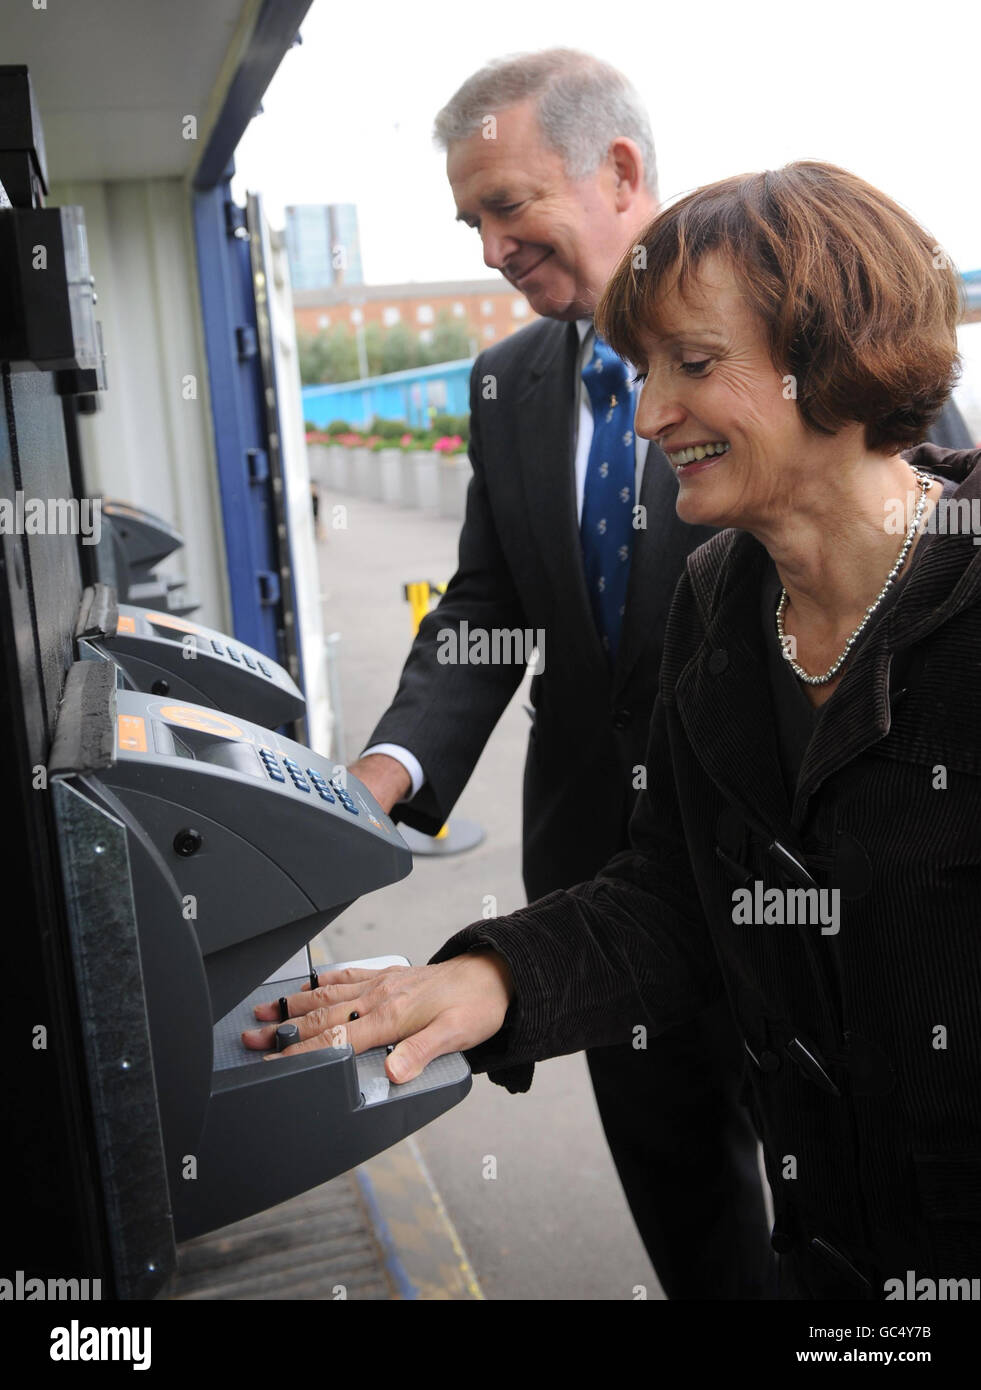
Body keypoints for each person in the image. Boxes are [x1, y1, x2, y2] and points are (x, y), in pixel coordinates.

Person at [247, 160, 981, 1299]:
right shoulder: (722, 602)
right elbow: (684, 895)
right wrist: (489, 978)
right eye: (645, 369)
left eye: (692, 365)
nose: (647, 414)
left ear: (836, 353)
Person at [347, 49, 770, 1299]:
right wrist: (383, 771)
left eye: (506, 205)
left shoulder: (797, 329)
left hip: (791, 887)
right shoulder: (506, 383)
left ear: (620, 170)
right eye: (469, 220)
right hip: (596, 884)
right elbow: (486, 600)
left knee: (855, 1218)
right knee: (689, 1210)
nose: (487, 247)